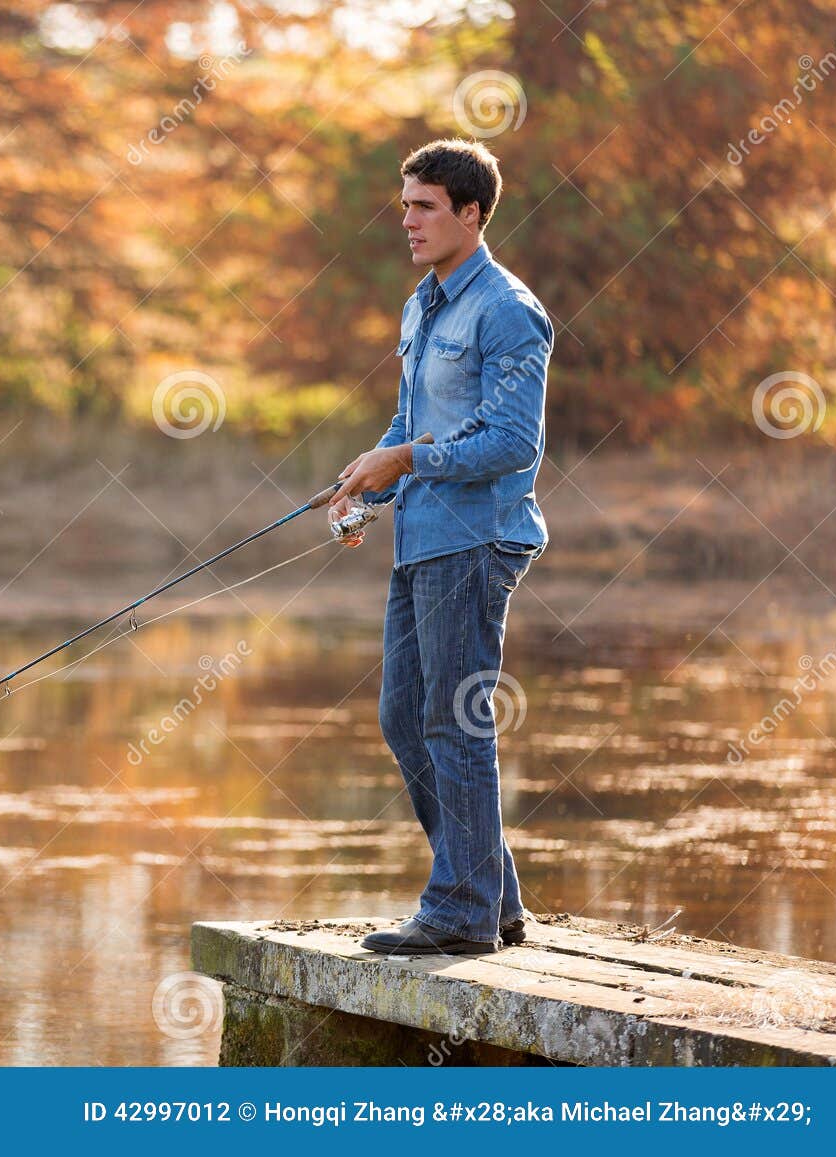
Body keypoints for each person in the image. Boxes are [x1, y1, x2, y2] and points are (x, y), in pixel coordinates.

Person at [325, 138, 551, 956]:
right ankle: (494, 898)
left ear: (471, 213)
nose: (408, 221)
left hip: (478, 541)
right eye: (405, 205)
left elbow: (513, 443)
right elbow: (409, 422)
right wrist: (368, 482)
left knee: (454, 721)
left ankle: (460, 912)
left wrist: (407, 461)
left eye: (424, 206)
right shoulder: (421, 304)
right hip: (420, 541)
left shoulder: (508, 310)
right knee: (404, 717)